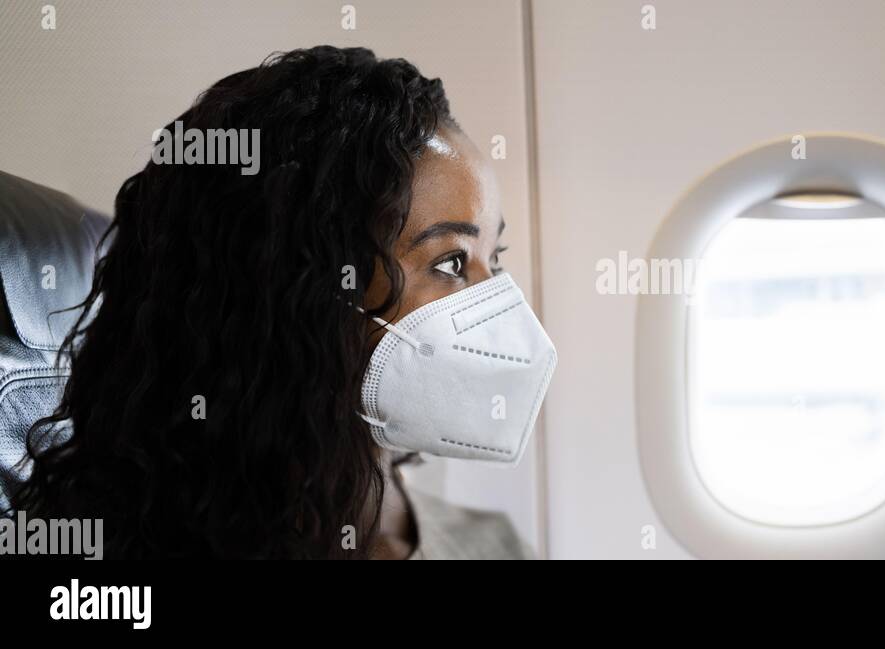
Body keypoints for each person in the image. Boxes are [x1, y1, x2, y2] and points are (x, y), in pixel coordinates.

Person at [11, 46, 552, 559]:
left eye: (495, 259)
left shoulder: (493, 546)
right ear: (305, 288)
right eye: (452, 262)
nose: (497, 303)